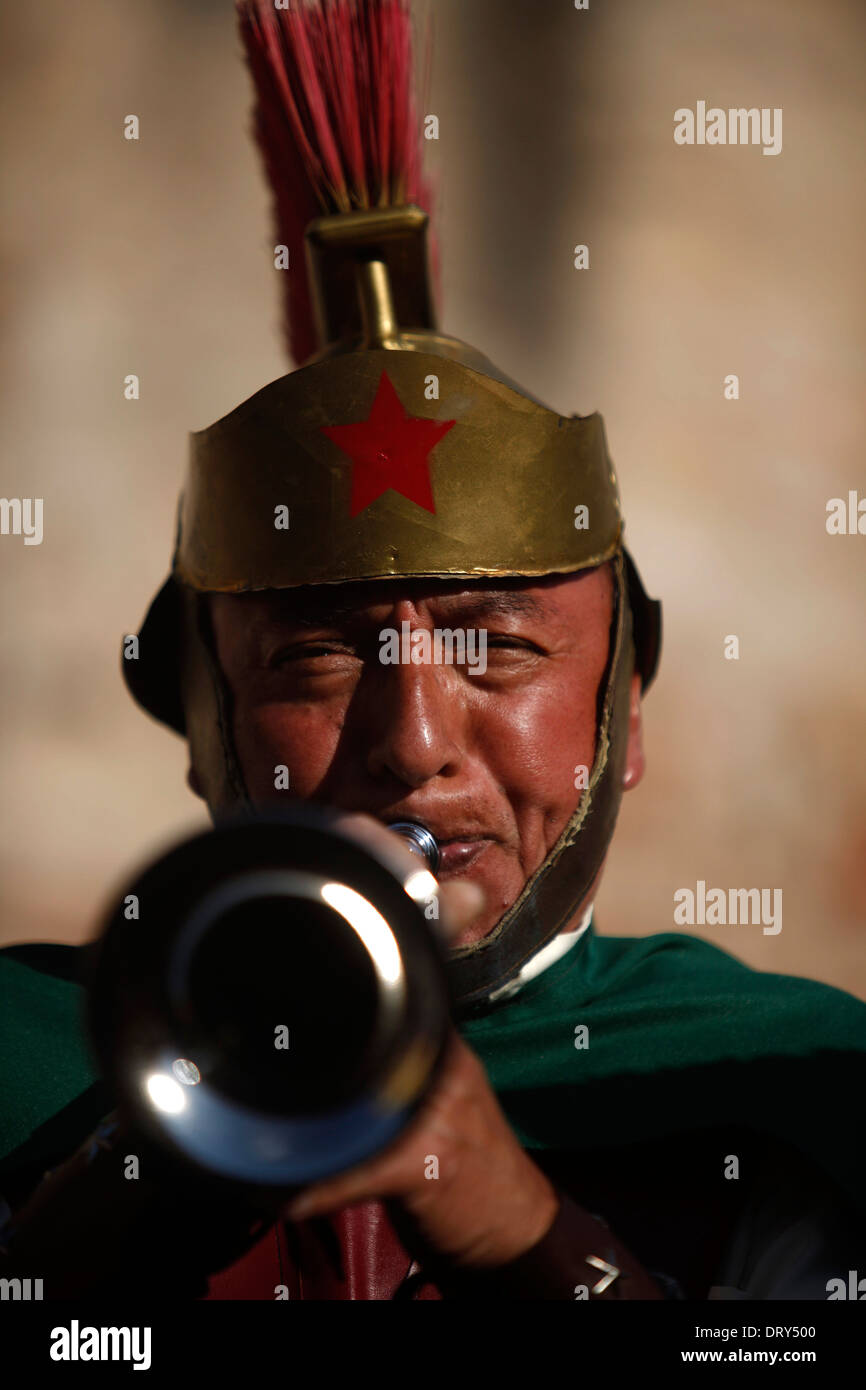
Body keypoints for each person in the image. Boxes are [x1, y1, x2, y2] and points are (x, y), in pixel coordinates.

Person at [1, 0, 864, 1302]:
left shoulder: (790, 1085)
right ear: (202, 715)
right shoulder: (24, 1066)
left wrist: (533, 1242)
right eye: (318, 659)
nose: (412, 745)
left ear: (623, 711)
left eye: (498, 650)